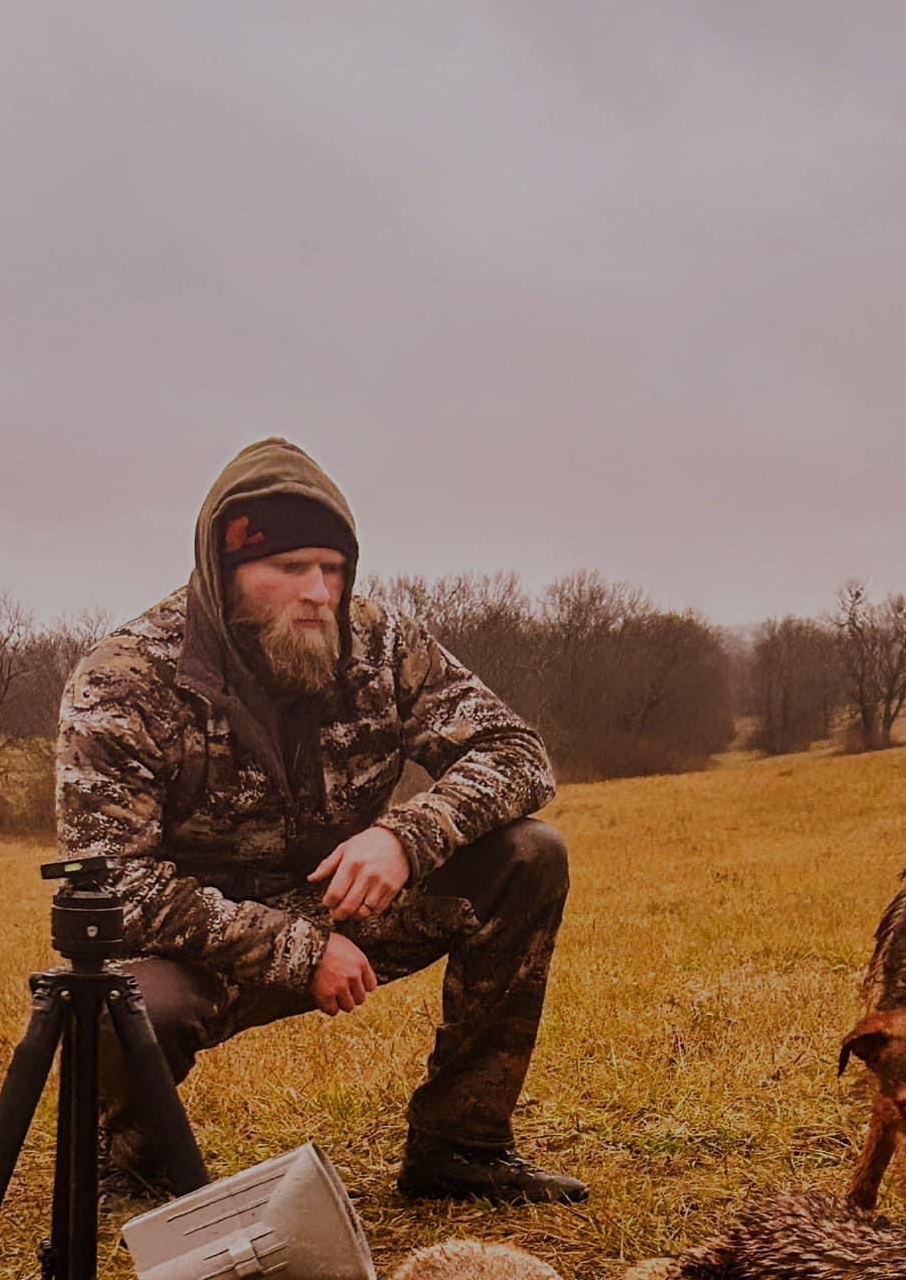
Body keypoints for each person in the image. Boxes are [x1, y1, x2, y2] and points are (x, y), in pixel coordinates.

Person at [56, 436, 586, 1205]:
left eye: (332, 569)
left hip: (352, 904)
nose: (317, 591)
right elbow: (115, 885)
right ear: (224, 569)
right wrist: (298, 951)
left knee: (530, 855)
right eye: (289, 568)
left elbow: (519, 753)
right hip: (202, 946)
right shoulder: (125, 679)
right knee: (116, 998)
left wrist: (408, 834)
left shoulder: (382, 643)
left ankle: (462, 1148)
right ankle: (138, 1164)